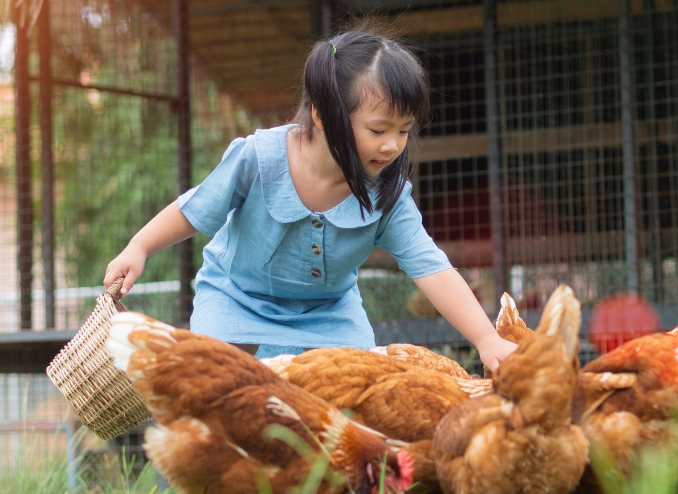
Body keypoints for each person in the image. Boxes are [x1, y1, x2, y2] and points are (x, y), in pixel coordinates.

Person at [103, 30, 518, 369]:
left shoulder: (386, 195)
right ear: (322, 115)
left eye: (404, 130)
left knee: (358, 399)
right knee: (217, 391)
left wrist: (486, 338)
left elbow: (431, 267)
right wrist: (139, 247)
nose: (392, 145)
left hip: (329, 313)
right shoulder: (259, 158)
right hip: (237, 299)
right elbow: (195, 208)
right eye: (378, 130)